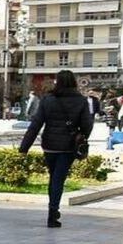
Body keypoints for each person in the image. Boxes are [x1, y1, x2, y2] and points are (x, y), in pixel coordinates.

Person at [20, 70, 94, 228]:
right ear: (74, 82)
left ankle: (53, 210)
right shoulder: (81, 101)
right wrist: (80, 136)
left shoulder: (48, 100)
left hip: (50, 146)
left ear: (58, 82)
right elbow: (88, 124)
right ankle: (53, 212)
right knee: (58, 179)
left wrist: (24, 147)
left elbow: (35, 125)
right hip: (68, 147)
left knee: (54, 177)